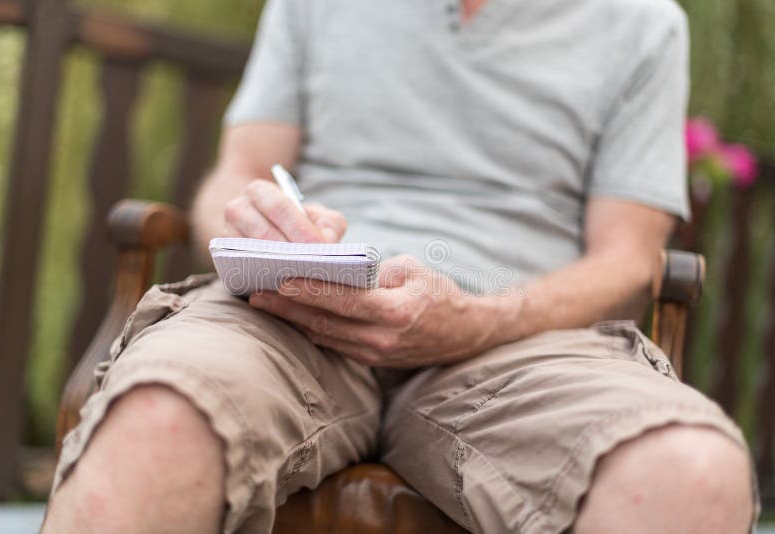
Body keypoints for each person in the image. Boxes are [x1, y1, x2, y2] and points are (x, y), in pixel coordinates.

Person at [43, 0, 758, 532]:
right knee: (156, 417)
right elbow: (238, 171)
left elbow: (630, 256)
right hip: (297, 316)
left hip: (522, 343)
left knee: (692, 476)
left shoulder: (640, 22)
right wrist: (253, 218)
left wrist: (482, 320)